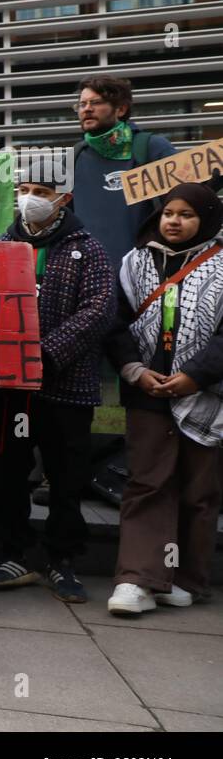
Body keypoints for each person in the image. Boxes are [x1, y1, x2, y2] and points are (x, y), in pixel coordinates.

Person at [0, 156, 115, 602]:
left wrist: (46, 354)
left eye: (40, 192)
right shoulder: (1, 246)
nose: (29, 199)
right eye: (24, 190)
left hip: (67, 387)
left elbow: (99, 311)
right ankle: (13, 553)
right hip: (10, 390)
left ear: (63, 199)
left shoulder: (87, 248)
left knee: (66, 477)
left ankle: (63, 560)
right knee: (7, 473)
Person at [104, 183, 223, 616]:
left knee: (198, 490)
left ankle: (184, 577)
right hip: (147, 392)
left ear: (207, 219)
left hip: (206, 396)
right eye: (168, 212)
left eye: (187, 214)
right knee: (148, 482)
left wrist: (195, 376)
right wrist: (134, 370)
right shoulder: (133, 263)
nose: (173, 221)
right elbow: (113, 323)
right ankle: (137, 578)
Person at [71, 75, 175, 266]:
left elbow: (184, 203)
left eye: (96, 102)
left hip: (144, 274)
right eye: (82, 104)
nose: (87, 109)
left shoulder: (151, 147)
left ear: (121, 109)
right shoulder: (76, 156)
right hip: (90, 278)